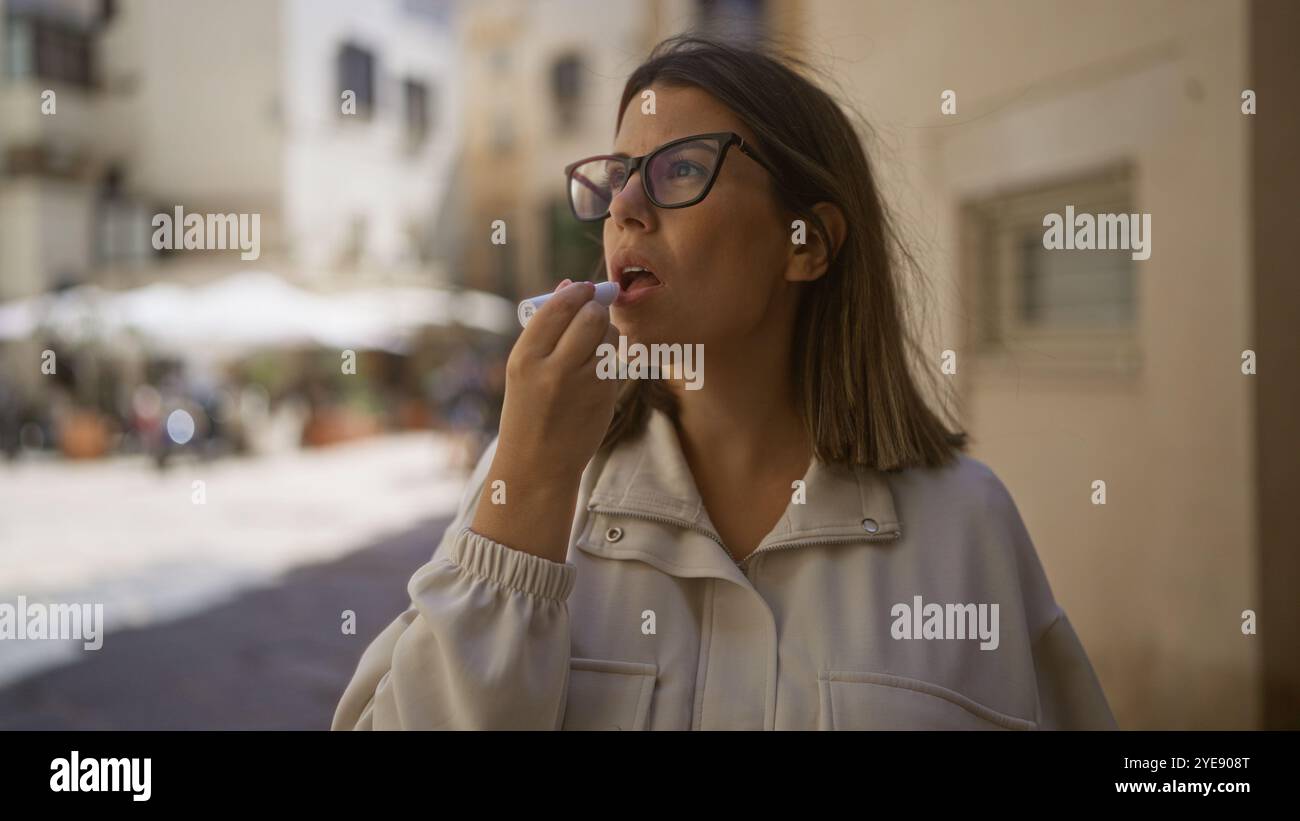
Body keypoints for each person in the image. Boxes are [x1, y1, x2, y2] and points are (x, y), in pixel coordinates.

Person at [332, 34, 1117, 730]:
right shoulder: (534, 484)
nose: (626, 208)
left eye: (680, 169)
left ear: (807, 244)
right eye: (617, 177)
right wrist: (527, 485)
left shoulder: (965, 523)